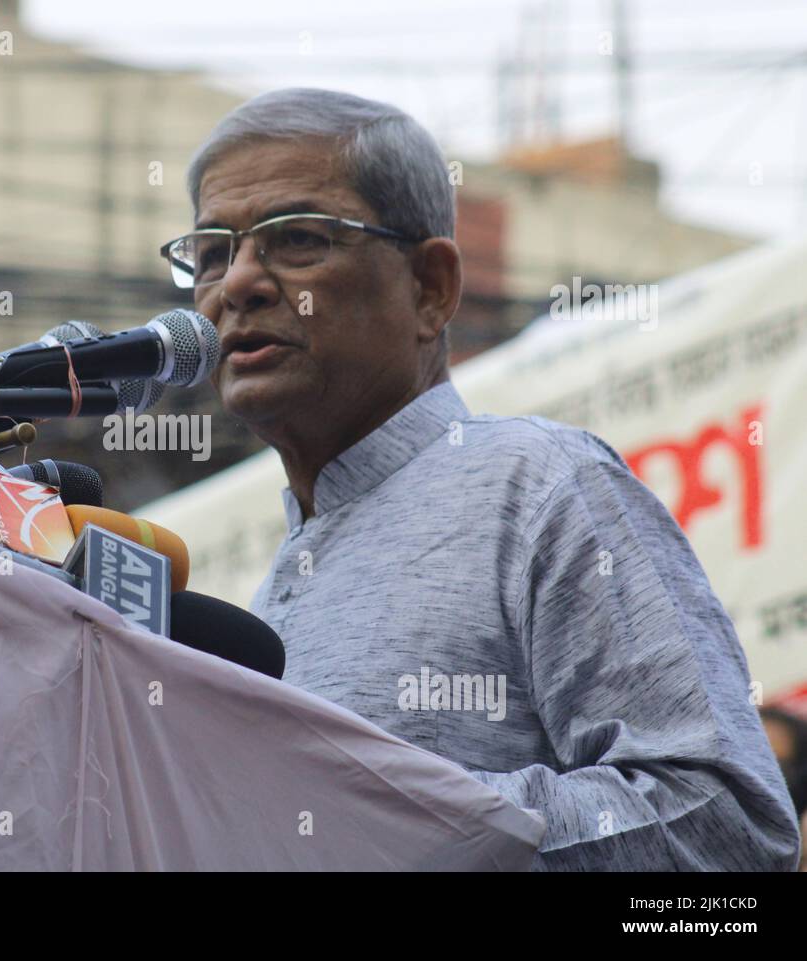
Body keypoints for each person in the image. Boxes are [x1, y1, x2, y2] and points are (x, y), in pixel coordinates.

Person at [161, 87, 800, 871]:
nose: (239, 284)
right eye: (213, 252)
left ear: (430, 287)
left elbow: (729, 826)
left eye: (296, 239)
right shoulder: (273, 587)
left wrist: (395, 818)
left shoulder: (544, 486)